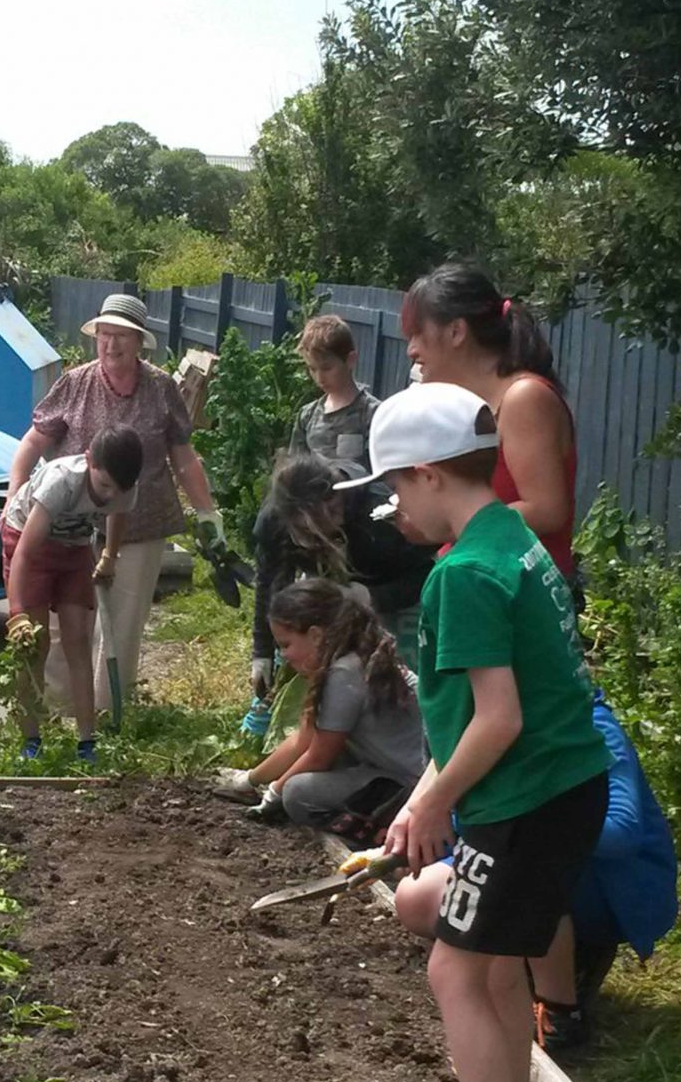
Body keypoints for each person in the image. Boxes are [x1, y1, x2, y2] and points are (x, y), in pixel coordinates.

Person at [342, 381, 608, 1082]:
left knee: (453, 968)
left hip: (525, 798)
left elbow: (499, 719)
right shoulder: (513, 538)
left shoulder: (463, 573)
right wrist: (425, 796)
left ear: (427, 474)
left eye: (393, 488)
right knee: (490, 968)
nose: (390, 508)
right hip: (554, 789)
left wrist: (435, 803)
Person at [8, 294, 230, 712]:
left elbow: (184, 457)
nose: (111, 345)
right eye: (104, 335)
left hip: (140, 522)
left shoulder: (161, 387)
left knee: (122, 625)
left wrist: (207, 512)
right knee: (65, 624)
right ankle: (59, 713)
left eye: (121, 336)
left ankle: (111, 715)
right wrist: (15, 493)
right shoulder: (75, 382)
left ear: (139, 342)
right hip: (70, 524)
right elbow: (34, 441)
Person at [400, 263, 579, 584]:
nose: (411, 350)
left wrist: (453, 520)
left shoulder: (524, 398)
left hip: (521, 599)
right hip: (483, 586)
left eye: (417, 334)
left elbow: (548, 510)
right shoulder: (470, 405)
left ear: (456, 332)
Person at [526, 696, 679, 1052]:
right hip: (559, 868)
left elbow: (622, 830)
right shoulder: (492, 721)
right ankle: (523, 972)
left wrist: (528, 823)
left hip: (615, 884)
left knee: (528, 868)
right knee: (418, 899)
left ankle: (562, 1011)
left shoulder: (593, 725)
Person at [244, 454, 433, 736]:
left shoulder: (379, 510)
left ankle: (418, 734)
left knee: (404, 671)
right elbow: (271, 586)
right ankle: (316, 728)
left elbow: (427, 573)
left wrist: (373, 596)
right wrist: (262, 651)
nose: (338, 518)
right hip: (334, 592)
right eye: (322, 519)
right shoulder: (274, 522)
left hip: (397, 589)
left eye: (335, 509)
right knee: (316, 657)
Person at [225, 579, 426, 842]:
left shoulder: (344, 672)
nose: (283, 655)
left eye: (286, 645)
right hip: (393, 771)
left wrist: (274, 793)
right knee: (303, 781)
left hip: (411, 782)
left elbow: (319, 755)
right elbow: (303, 738)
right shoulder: (352, 653)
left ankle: (377, 832)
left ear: (316, 636)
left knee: (297, 794)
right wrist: (249, 781)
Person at [1, 428, 144, 762]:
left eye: (118, 489)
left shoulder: (124, 486)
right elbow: (23, 553)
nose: (109, 495)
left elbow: (118, 516)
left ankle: (86, 741)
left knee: (78, 640)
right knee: (33, 645)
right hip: (27, 538)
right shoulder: (61, 481)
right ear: (90, 460)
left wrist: (109, 557)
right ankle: (30, 741)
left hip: (75, 547)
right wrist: (16, 612)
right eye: (104, 485)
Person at [288, 312, 380, 468]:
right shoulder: (307, 416)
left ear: (350, 360)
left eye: (327, 368)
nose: (319, 377)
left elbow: (384, 478)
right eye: (312, 369)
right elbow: (294, 473)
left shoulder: (374, 414)